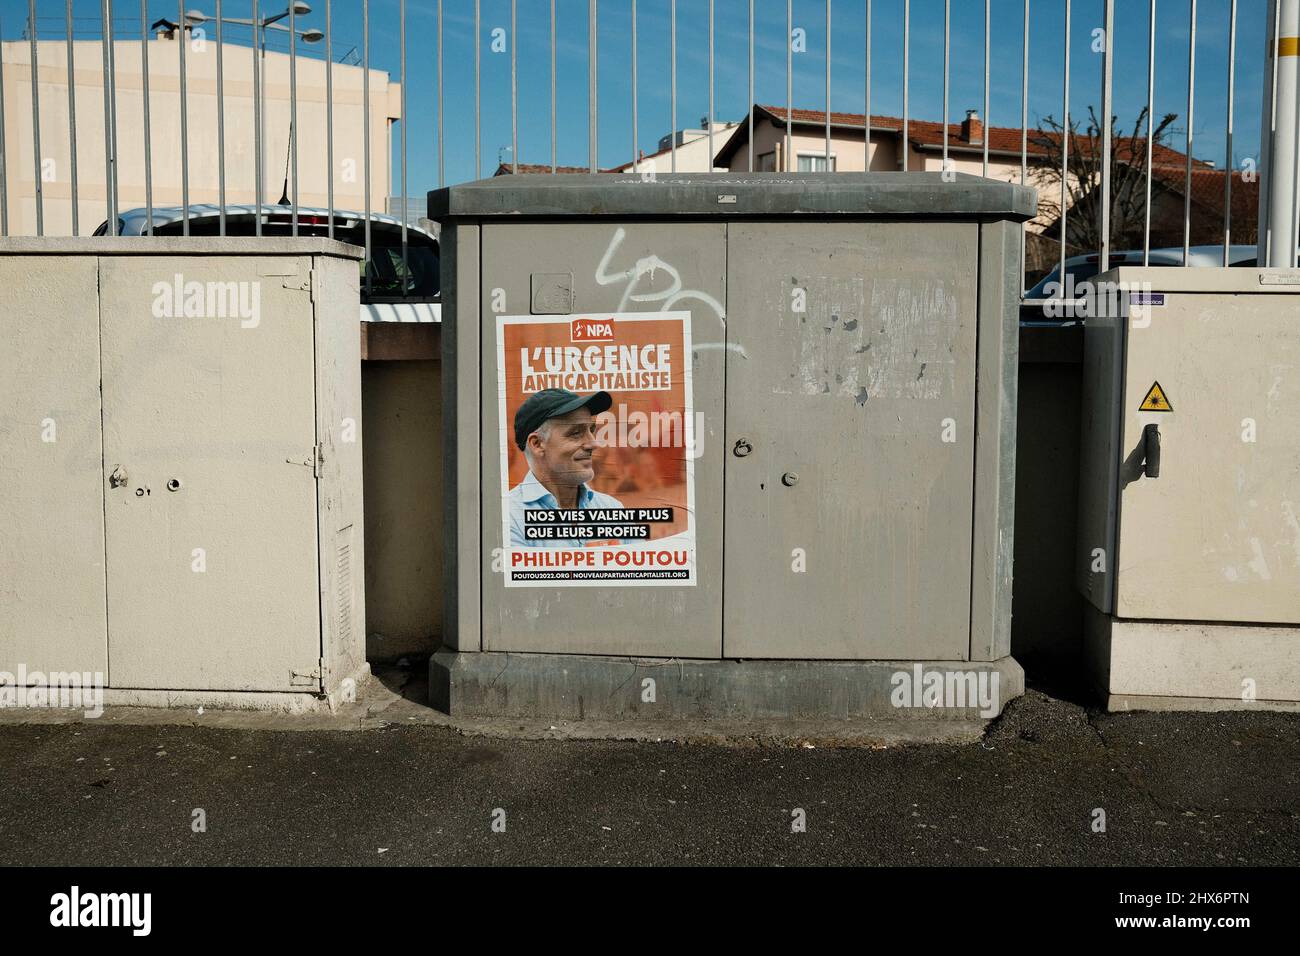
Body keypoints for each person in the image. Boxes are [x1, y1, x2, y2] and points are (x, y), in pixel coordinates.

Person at [507, 388, 624, 548]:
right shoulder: (509, 517)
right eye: (576, 433)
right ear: (537, 444)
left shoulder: (612, 508)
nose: (593, 443)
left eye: (591, 430)